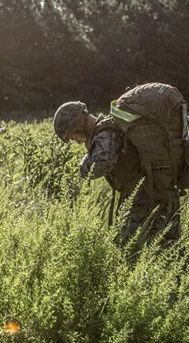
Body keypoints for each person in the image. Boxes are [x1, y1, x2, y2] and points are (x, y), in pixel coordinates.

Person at [53, 99, 182, 248]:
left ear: (79, 125)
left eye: (72, 136)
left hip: (146, 199)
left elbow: (100, 165)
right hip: (161, 190)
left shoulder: (105, 134)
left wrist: (83, 165)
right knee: (168, 248)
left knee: (130, 251)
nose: (76, 141)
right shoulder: (110, 128)